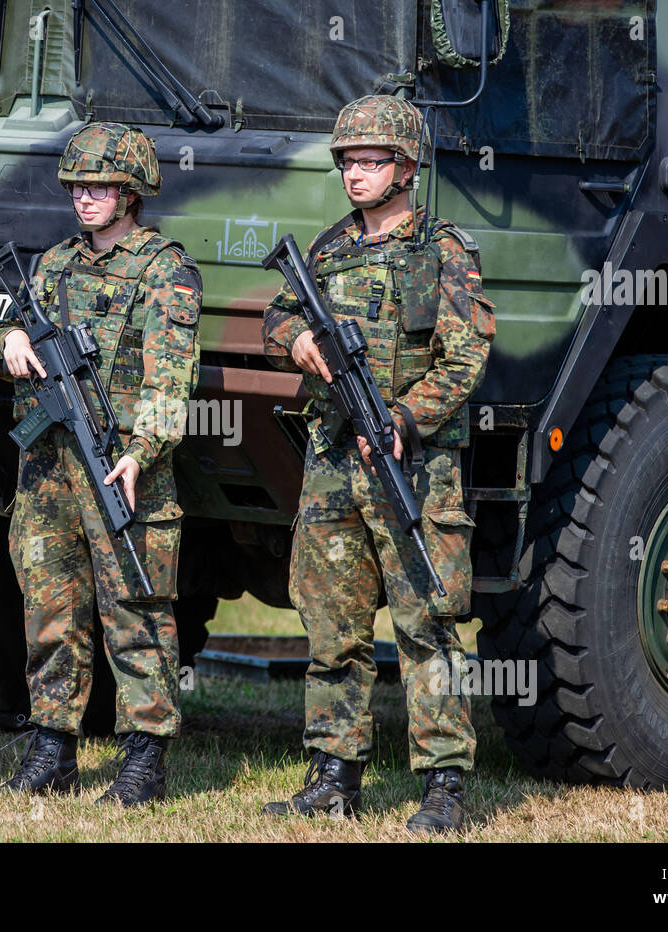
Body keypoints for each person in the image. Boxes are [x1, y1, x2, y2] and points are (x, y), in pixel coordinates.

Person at [260, 95, 495, 832]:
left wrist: (402, 416)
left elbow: (468, 356)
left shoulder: (444, 251)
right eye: (348, 162)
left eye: (369, 162)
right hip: (332, 461)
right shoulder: (328, 251)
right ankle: (335, 773)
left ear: (405, 167)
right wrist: (296, 341)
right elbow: (277, 316)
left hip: (413, 465)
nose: (355, 175)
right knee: (332, 625)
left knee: (428, 623)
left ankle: (444, 786)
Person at [0, 123, 202, 806]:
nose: (85, 197)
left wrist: (140, 453)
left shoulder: (166, 270)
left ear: (131, 191)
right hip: (48, 475)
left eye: (100, 186)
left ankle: (144, 757)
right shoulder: (52, 266)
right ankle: (53, 747)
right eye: (77, 186)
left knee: (136, 612)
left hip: (119, 469)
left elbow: (173, 384)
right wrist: (11, 337)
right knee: (51, 613)